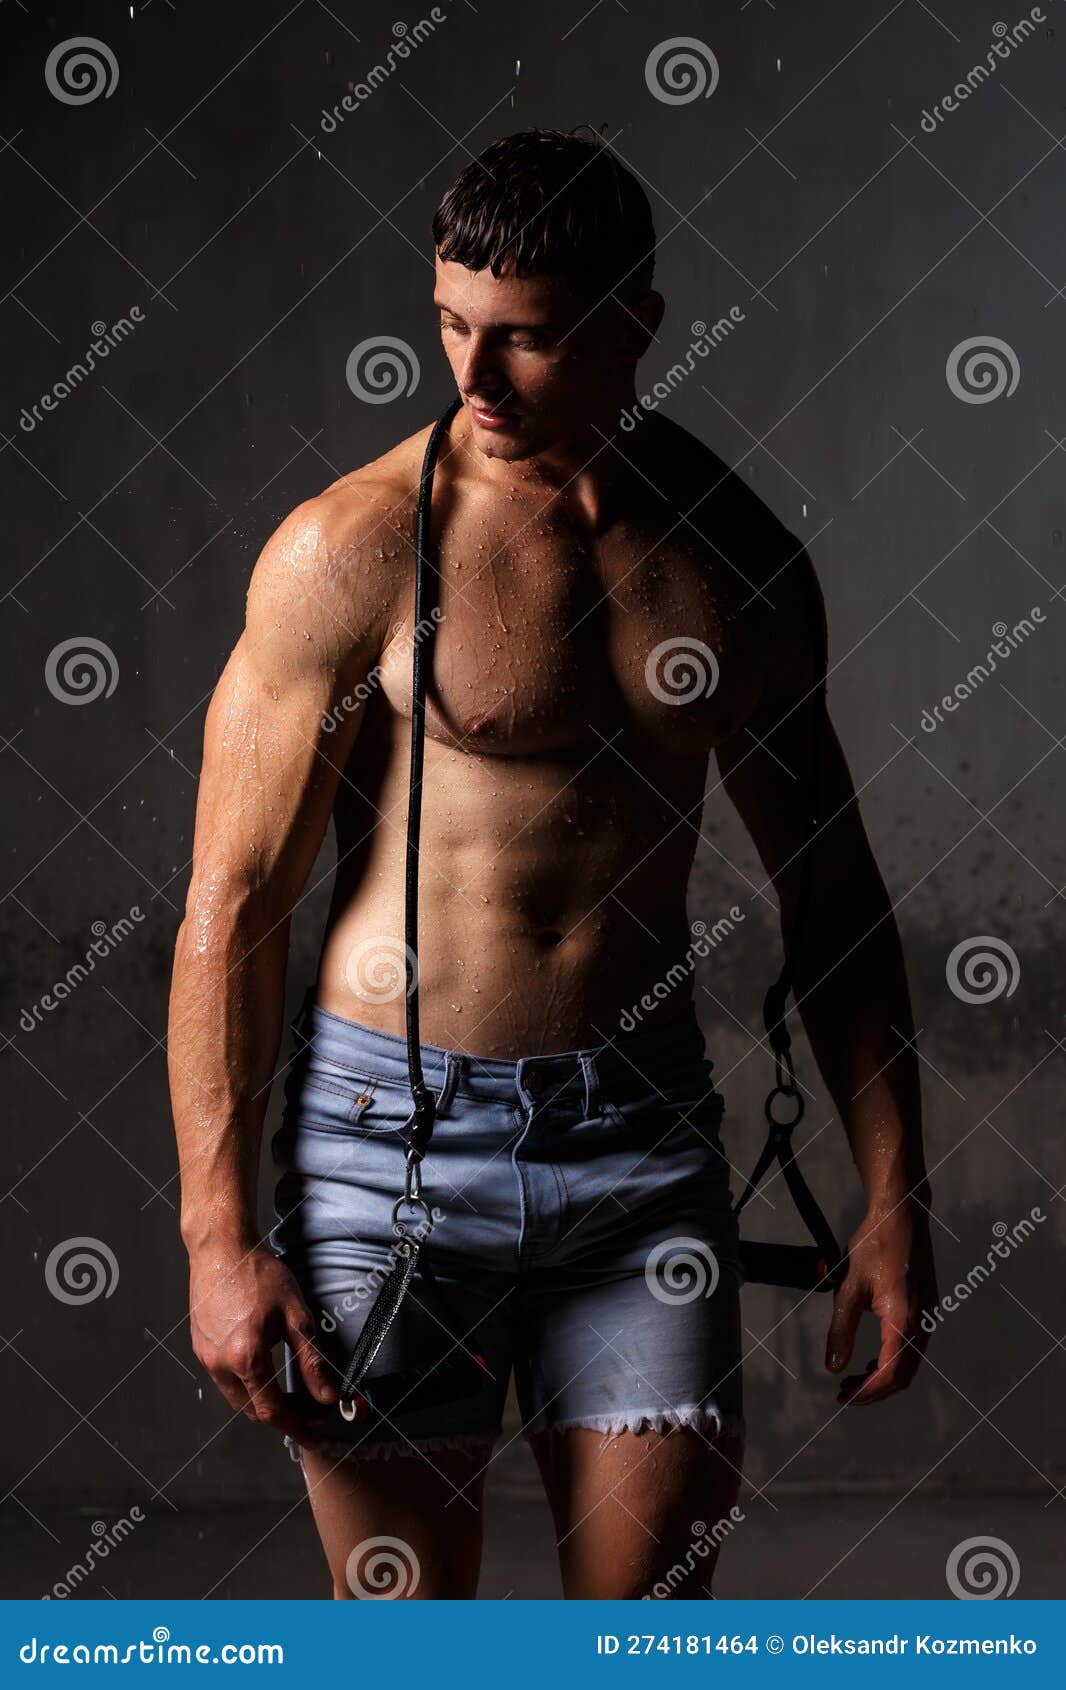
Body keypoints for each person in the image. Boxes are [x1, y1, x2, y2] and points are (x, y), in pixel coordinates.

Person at [168, 127, 937, 1600]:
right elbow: (233, 905)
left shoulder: (730, 559)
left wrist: (896, 1197)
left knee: (639, 1641)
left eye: (520, 339)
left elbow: (829, 898)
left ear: (633, 324)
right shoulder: (352, 551)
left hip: (638, 1150)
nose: (471, 378)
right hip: (384, 1143)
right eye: (450, 325)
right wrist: (217, 1231)